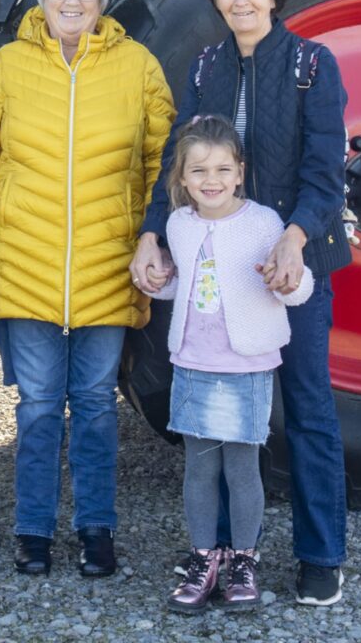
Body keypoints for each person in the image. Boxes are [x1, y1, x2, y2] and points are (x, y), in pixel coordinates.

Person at [0, 0, 175, 577]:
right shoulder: (7, 65)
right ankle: (33, 530)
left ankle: (96, 530)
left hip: (107, 264)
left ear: (102, 1)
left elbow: (160, 167)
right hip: (24, 264)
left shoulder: (138, 66)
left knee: (94, 405)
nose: (72, 1)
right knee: (38, 406)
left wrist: (156, 239)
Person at [130, 0, 351, 607]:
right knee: (220, 415)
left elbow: (324, 170)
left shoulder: (314, 65)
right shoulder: (204, 70)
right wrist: (149, 235)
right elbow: (179, 161)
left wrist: (294, 238)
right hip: (220, 270)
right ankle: (226, 556)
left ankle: (321, 555)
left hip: (292, 262)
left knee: (308, 406)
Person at [147, 116, 313, 614]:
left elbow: (298, 286)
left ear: (240, 172)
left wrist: (287, 281)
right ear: (182, 179)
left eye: (222, 169)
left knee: (242, 469)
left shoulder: (263, 223)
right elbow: (188, 283)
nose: (211, 180)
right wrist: (156, 280)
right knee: (198, 467)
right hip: (194, 361)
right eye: (198, 171)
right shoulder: (178, 224)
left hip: (246, 364)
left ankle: (243, 560)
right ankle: (204, 558)